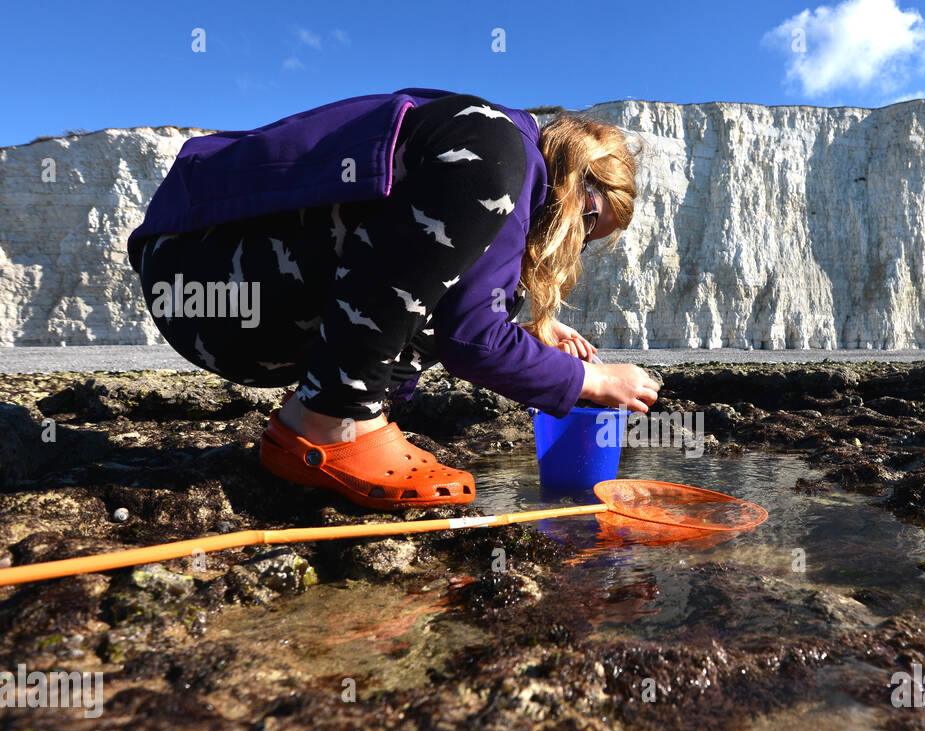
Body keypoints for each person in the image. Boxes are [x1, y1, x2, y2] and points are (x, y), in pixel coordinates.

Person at [128, 88, 659, 510]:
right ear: (574, 185)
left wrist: (525, 333)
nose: (575, 241)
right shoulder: (497, 148)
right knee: (467, 208)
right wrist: (598, 380)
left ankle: (351, 421)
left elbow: (449, 305)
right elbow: (470, 340)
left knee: (453, 270)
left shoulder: (496, 161)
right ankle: (330, 417)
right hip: (202, 262)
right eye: (588, 222)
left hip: (208, 285)